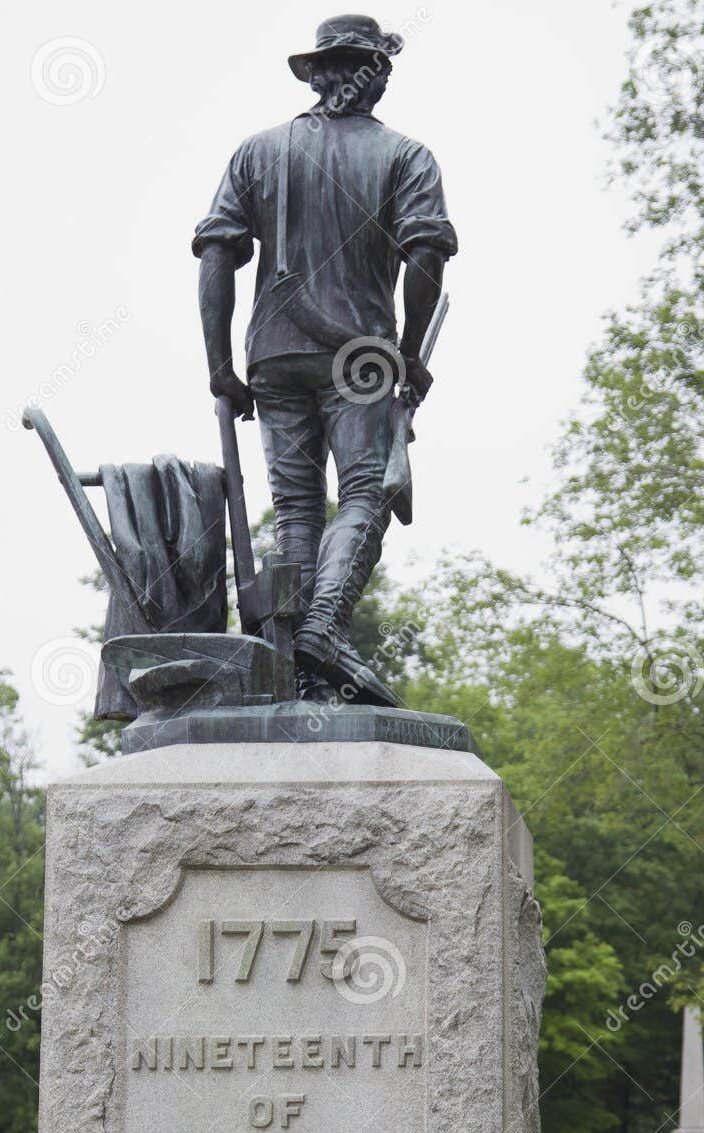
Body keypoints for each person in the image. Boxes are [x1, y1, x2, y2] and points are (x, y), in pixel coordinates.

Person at [193, 15, 458, 704]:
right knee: (366, 492)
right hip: (360, 358)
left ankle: (297, 663)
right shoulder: (406, 156)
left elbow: (217, 252)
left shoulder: (256, 152)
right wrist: (406, 352)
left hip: (271, 355)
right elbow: (426, 252)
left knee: (297, 509)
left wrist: (220, 363)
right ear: (374, 76)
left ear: (317, 75)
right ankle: (324, 630)